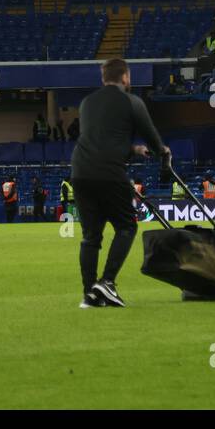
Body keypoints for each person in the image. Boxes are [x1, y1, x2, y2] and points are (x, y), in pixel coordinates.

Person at [71, 57, 169, 309]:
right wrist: (162, 151)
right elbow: (153, 137)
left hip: (80, 171)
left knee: (90, 237)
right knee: (127, 226)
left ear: (104, 78)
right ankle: (108, 282)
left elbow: (102, 141)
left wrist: (133, 149)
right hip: (110, 173)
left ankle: (89, 294)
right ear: (125, 77)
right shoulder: (132, 102)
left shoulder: (87, 103)